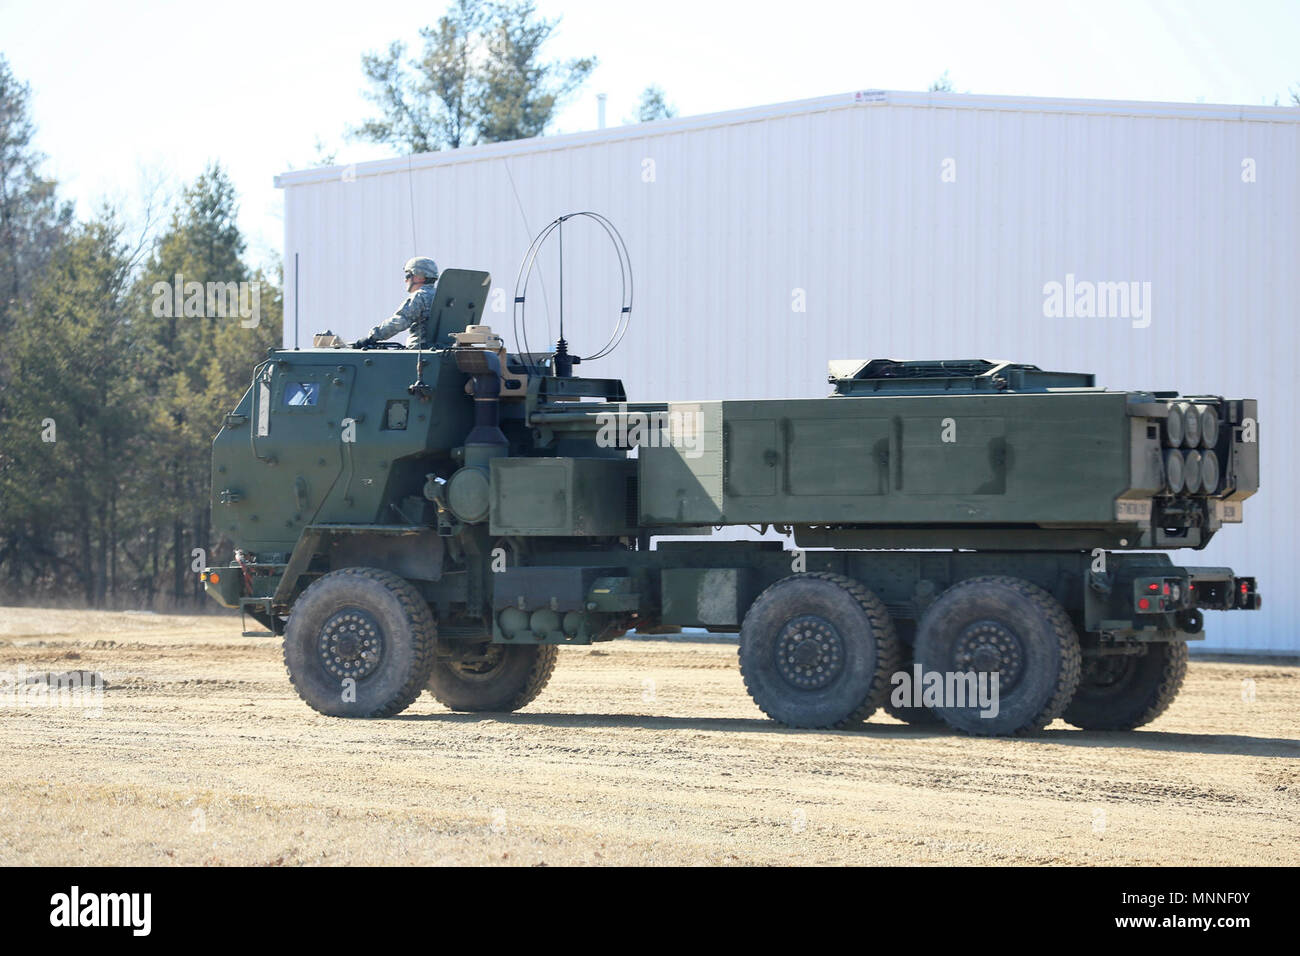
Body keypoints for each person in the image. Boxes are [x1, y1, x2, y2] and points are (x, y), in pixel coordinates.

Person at [353, 257, 439, 349]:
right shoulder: (440, 296)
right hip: (440, 350)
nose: (405, 280)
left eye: (408, 275)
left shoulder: (420, 296)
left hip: (419, 353)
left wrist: (371, 337)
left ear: (420, 277)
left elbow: (399, 322)